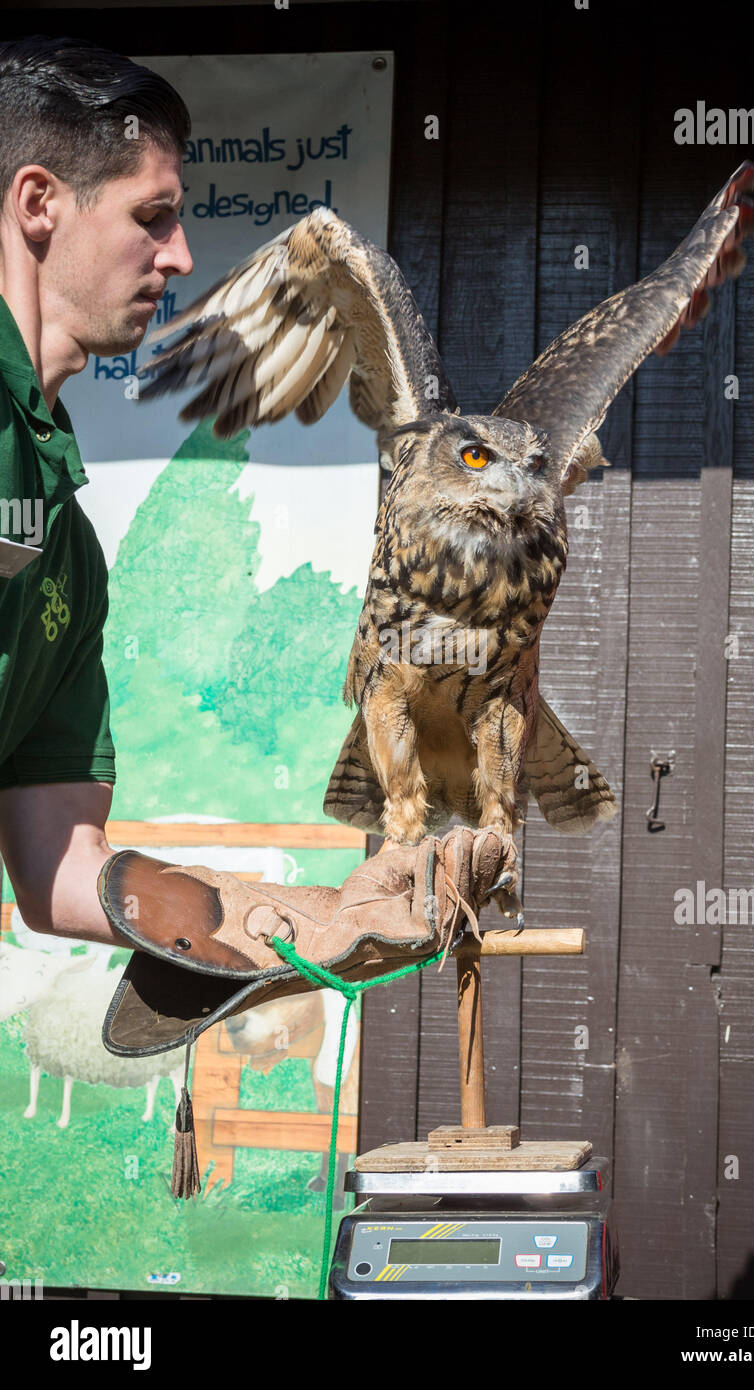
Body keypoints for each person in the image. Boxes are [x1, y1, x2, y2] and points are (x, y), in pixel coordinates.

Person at [0, 37, 514, 1022]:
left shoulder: (64, 543)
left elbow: (60, 862)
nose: (182, 256)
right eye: (151, 218)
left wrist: (302, 919)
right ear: (38, 204)